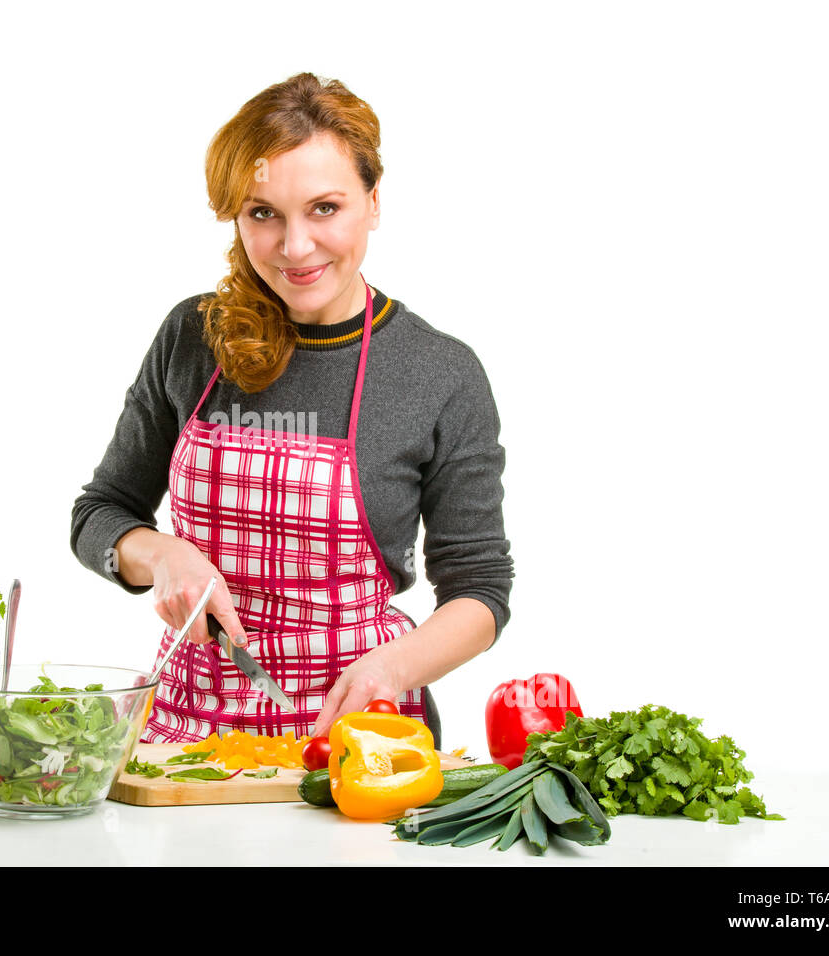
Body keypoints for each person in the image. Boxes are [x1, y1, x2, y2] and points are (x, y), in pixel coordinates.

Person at [70, 72, 513, 745]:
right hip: (186, 743)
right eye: (263, 213)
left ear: (373, 200)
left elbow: (480, 590)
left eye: (325, 208)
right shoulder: (193, 336)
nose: (295, 246)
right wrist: (159, 555)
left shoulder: (441, 373)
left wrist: (393, 668)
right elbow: (100, 512)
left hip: (362, 742)